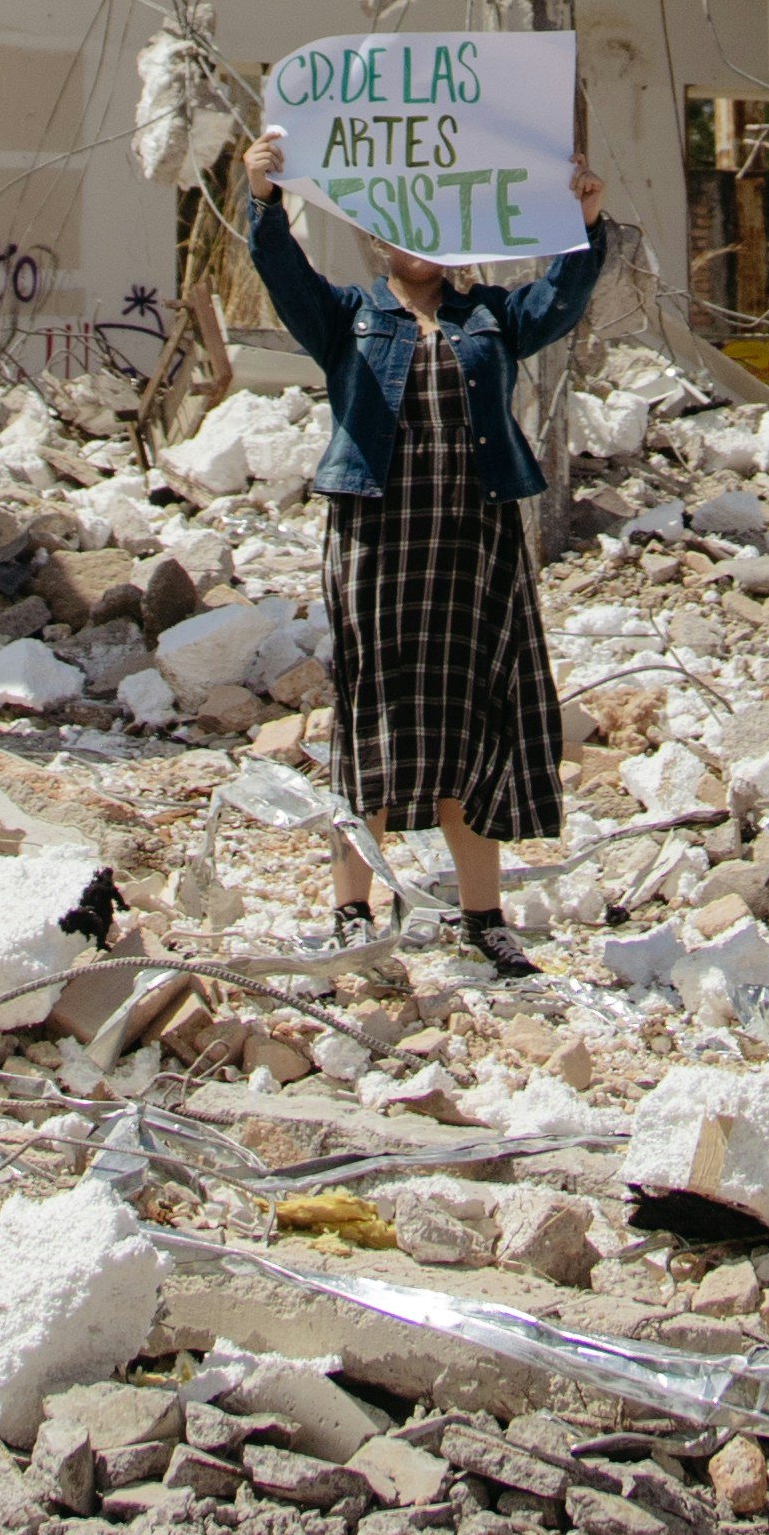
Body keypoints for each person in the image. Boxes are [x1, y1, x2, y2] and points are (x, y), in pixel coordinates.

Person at [241, 117, 607, 974]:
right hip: (379, 543)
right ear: (377, 235)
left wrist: (584, 224)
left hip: (474, 542)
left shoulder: (493, 317)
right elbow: (282, 272)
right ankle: (354, 910)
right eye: (410, 227)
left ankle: (483, 917)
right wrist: (263, 197)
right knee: (373, 716)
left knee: (475, 718)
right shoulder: (348, 317)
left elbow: (563, 296)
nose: (429, 245)